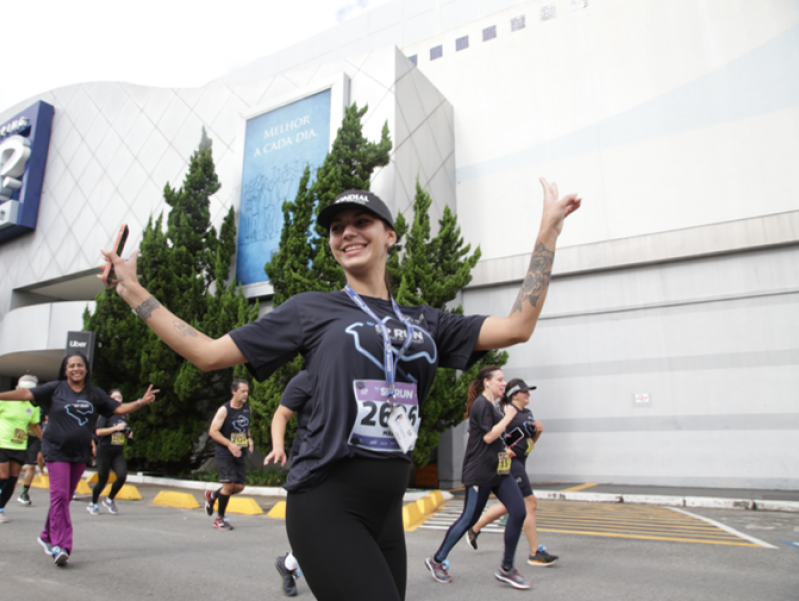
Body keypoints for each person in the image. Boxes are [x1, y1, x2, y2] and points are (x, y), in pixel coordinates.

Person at [102, 180, 580, 600]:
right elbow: (206, 352)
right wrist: (132, 292)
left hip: (387, 507)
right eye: (336, 227)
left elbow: (518, 326)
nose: (347, 231)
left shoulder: (426, 320)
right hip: (326, 499)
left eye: (362, 221)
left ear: (390, 235)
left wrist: (547, 236)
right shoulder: (311, 309)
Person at [0, 352, 159, 566]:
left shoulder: (94, 393)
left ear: (86, 369)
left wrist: (140, 402)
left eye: (79, 365)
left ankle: (46, 535)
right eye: (71, 365)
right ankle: (61, 546)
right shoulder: (55, 388)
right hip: (55, 450)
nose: (75, 369)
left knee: (64, 498)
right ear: (66, 370)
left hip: (79, 453)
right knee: (60, 496)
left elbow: (118, 408)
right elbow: (25, 393)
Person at [424, 366, 530, 588]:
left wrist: (505, 449)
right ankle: (437, 559)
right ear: (487, 383)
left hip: (499, 471)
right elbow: (489, 436)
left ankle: (507, 568)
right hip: (479, 474)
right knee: (468, 519)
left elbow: (483, 436)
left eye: (504, 380)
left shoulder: (493, 406)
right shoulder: (482, 404)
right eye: (499, 380)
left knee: (519, 510)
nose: (504, 383)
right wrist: (508, 417)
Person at [467, 378, 558, 567]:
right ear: (514, 394)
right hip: (510, 463)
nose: (529, 394)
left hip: (521, 461)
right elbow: (481, 435)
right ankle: (535, 552)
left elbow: (528, 443)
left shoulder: (528, 413)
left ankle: (474, 528)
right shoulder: (503, 411)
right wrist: (502, 450)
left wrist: (538, 432)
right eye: (525, 391)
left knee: (511, 505)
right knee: (529, 503)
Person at [264, 371, 313, 597]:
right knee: (312, 527)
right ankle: (290, 564)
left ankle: (289, 563)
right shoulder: (306, 378)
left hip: (341, 462)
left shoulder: (352, 377)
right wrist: (277, 446)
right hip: (309, 462)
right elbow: (281, 415)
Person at [0, 375, 43, 523]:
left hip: (19, 445)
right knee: (2, 476)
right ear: (17, 388)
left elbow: (34, 425)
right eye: (24, 388)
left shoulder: (33, 406)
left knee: (12, 479)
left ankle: (0, 509)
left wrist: (44, 439)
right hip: (1, 443)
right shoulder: (3, 400)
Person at [204, 379, 253, 530]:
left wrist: (249, 439)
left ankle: (212, 496)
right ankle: (220, 519)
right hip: (225, 451)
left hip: (240, 451)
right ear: (234, 391)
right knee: (229, 484)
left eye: (247, 391)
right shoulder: (224, 410)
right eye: (242, 391)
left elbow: (246, 426)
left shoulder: (247, 409)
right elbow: (213, 431)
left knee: (239, 486)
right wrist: (229, 444)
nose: (245, 394)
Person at [88, 388, 133, 515]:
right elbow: (98, 432)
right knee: (103, 479)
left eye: (119, 398)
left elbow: (123, 429)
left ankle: (110, 499)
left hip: (117, 451)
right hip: (105, 450)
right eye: (115, 397)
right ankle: (93, 503)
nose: (117, 400)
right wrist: (114, 428)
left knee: (122, 476)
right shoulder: (105, 414)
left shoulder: (123, 414)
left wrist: (128, 433)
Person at [17, 375, 43, 506]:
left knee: (32, 466)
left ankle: (24, 492)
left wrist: (44, 439)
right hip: (16, 437)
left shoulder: (36, 405)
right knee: (14, 466)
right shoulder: (10, 401)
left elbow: (36, 424)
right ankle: (3, 486)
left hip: (32, 437)